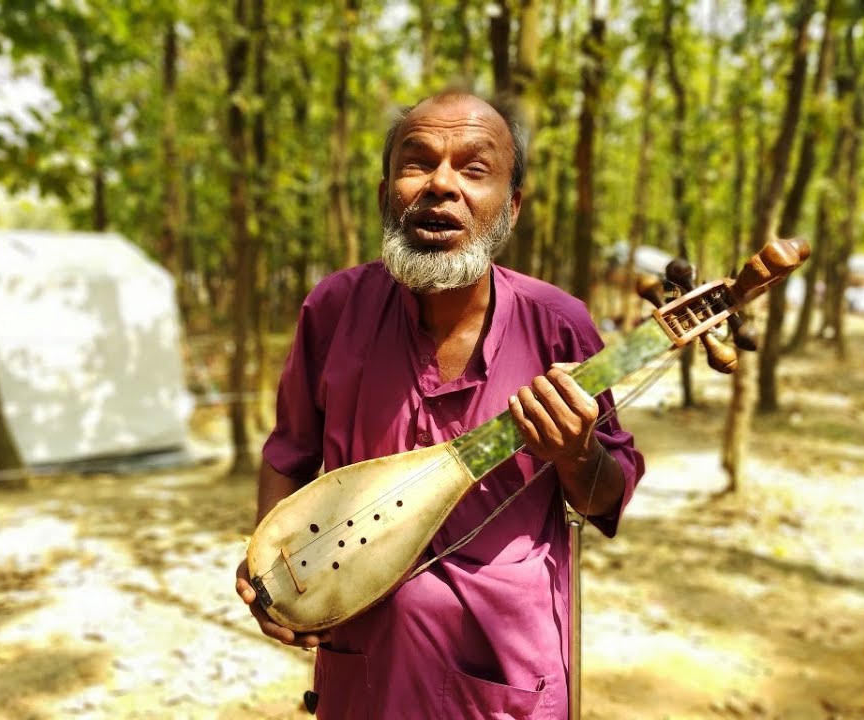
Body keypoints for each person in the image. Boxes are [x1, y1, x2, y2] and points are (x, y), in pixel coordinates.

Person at [234, 90, 645, 720]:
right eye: (417, 162)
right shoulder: (335, 310)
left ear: (510, 208)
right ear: (384, 196)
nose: (442, 185)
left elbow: (604, 496)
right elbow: (290, 454)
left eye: (474, 169)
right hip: (364, 666)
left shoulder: (559, 326)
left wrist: (577, 452)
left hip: (505, 671)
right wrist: (275, 569)